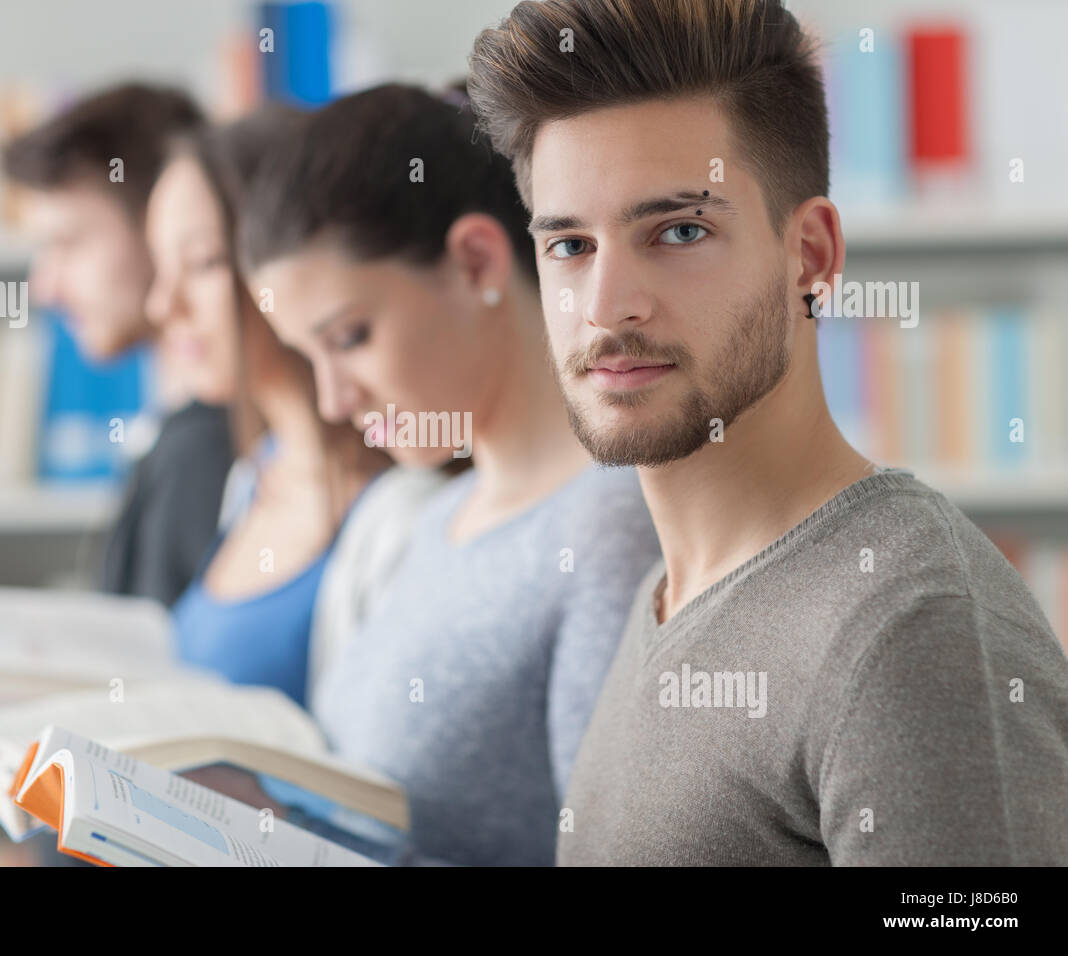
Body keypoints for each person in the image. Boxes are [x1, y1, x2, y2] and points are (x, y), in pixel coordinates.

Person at [466, 0, 1068, 865]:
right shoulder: (666, 592)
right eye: (570, 246)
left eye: (679, 231)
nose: (606, 306)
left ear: (812, 256)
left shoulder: (916, 631)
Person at [237, 83, 662, 865]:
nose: (334, 399)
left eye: (352, 336)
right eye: (309, 357)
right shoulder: (434, 520)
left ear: (476, 262)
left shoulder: (607, 526)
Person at [144, 105, 393, 707]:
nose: (160, 306)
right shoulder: (255, 474)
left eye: (202, 264)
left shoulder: (392, 509)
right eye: (158, 268)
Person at [2, 82, 232, 606]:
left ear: (161, 223)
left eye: (69, 244)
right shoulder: (171, 433)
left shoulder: (207, 450)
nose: (45, 286)